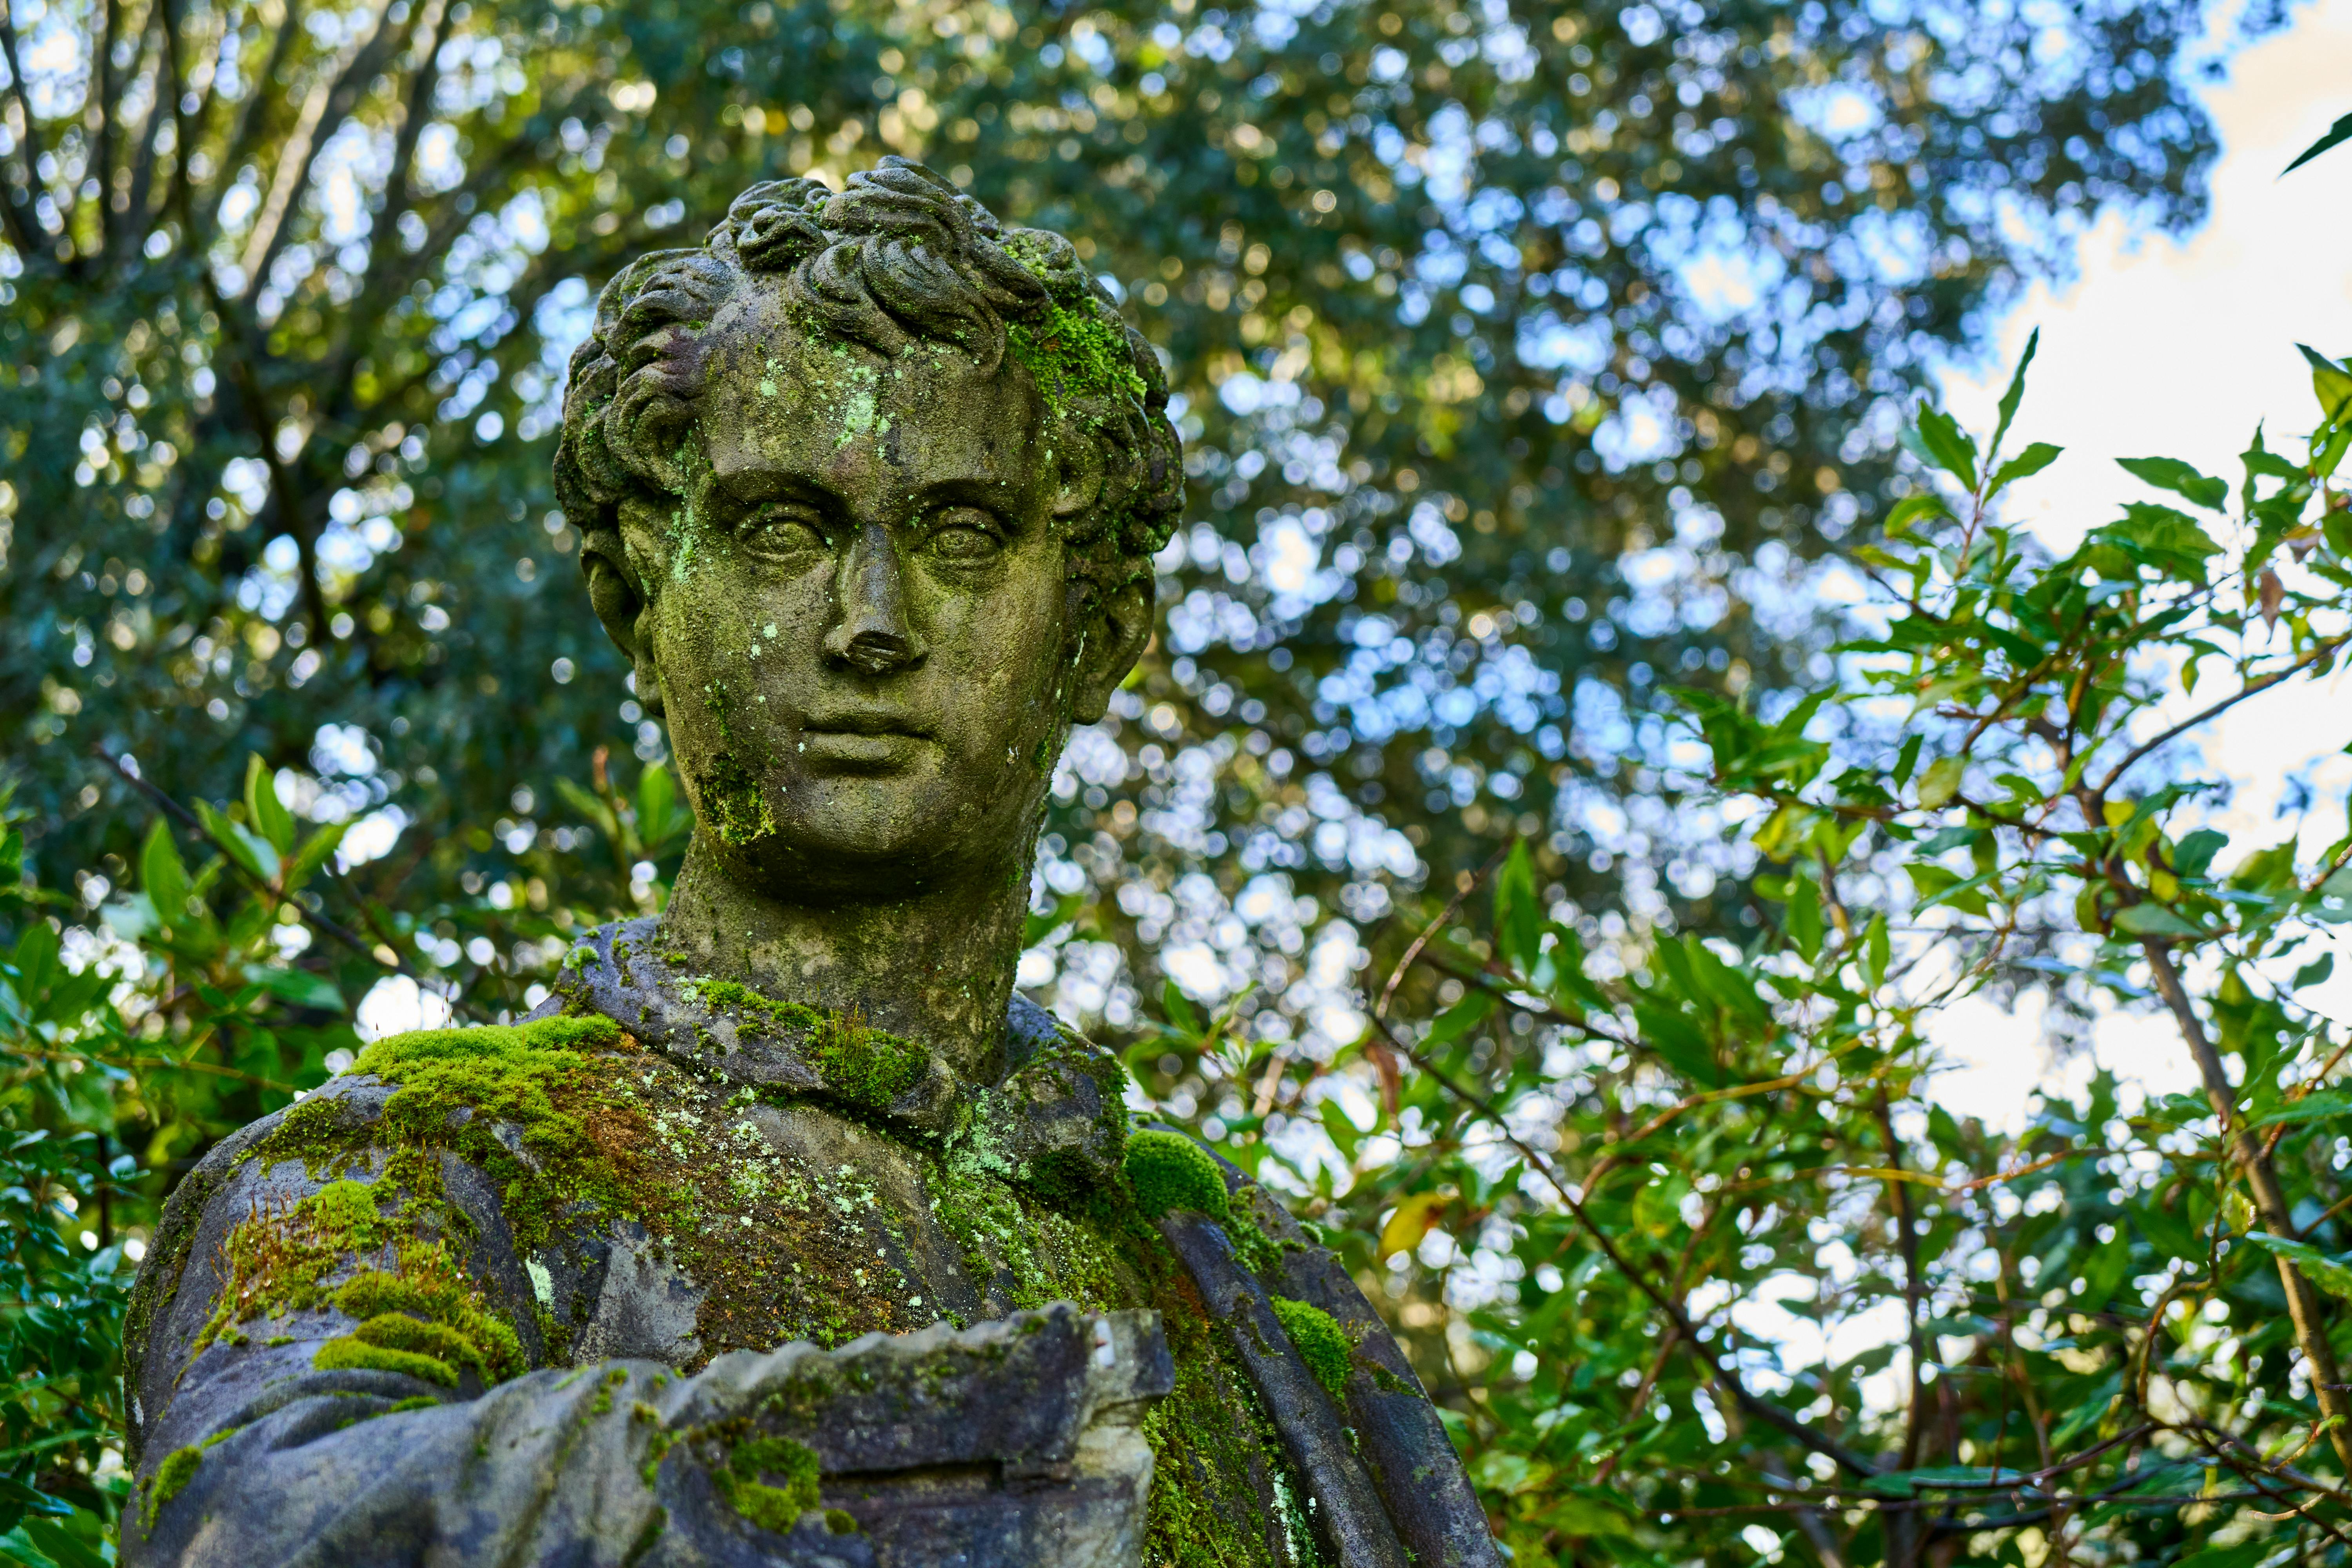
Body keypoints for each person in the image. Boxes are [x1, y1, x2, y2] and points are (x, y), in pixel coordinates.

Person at [121, 157, 1497, 1568]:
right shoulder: (433, 1170)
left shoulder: (1264, 1302)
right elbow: (250, 1523)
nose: (872, 622)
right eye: (784, 530)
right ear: (641, 604)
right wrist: (793, 1484)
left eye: (963, 535)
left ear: (1098, 636)